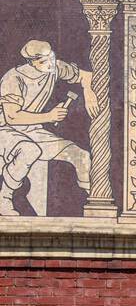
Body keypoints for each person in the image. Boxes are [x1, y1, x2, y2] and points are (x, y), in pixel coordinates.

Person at [0, 39, 97, 215]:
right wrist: (49, 116)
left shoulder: (55, 68)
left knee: (81, 156)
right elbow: (12, 117)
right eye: (43, 61)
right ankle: (4, 198)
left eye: (51, 58)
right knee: (29, 150)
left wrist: (88, 92)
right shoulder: (13, 78)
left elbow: (86, 76)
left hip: (33, 131)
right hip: (6, 130)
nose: (50, 64)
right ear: (31, 62)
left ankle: (95, 201)